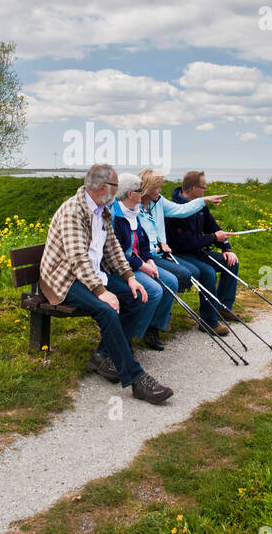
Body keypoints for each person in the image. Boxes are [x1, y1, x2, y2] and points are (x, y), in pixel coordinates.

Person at [38, 163, 173, 404]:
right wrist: (102, 292)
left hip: (92, 273)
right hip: (65, 278)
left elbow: (113, 250)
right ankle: (136, 379)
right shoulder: (73, 211)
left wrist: (130, 278)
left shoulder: (103, 209)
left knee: (137, 298)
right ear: (102, 187)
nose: (119, 189)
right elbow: (77, 259)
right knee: (107, 309)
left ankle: (102, 355)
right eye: (115, 185)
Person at [164, 170, 239, 335]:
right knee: (209, 273)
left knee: (231, 262)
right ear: (191, 188)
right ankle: (208, 322)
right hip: (180, 254)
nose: (206, 190)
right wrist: (213, 238)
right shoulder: (175, 210)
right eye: (203, 187)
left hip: (197, 251)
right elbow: (184, 244)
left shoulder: (200, 205)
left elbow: (213, 227)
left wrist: (226, 248)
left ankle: (223, 307)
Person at [135, 168, 225, 304]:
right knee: (184, 274)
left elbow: (181, 210)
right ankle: (162, 312)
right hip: (147, 256)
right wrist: (158, 246)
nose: (160, 190)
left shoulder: (159, 201)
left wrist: (204, 200)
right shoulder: (133, 207)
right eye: (157, 187)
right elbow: (138, 236)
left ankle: (164, 307)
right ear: (148, 188)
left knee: (190, 273)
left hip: (161, 254)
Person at [111, 173, 175, 350]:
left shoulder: (134, 211)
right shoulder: (115, 216)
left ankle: (151, 327)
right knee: (154, 290)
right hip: (121, 268)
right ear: (130, 194)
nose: (143, 193)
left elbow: (143, 240)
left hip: (138, 262)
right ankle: (132, 335)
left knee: (171, 282)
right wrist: (142, 266)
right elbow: (118, 254)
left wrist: (149, 259)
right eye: (139, 191)